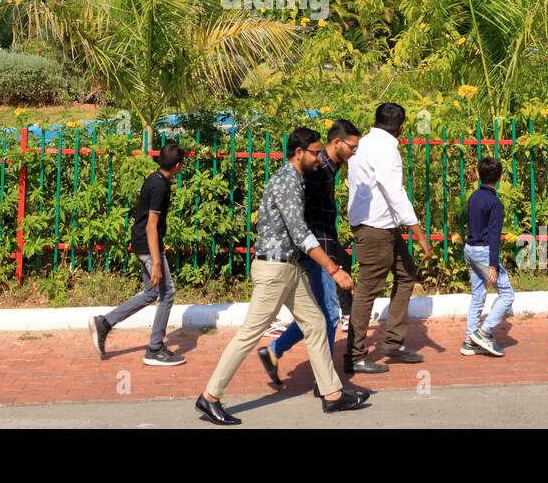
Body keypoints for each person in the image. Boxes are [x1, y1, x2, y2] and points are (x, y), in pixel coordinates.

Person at [196, 127, 368, 425]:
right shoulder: (288, 181)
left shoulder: (296, 179)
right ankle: (210, 397)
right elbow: (300, 233)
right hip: (275, 270)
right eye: (315, 153)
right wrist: (334, 269)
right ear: (299, 153)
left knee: (315, 323)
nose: (319, 158)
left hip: (288, 268)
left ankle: (332, 395)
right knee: (249, 334)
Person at [257, 119, 360, 385]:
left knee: (314, 314)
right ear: (337, 142)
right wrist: (329, 264)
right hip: (316, 248)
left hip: (323, 245)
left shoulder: (329, 167)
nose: (354, 152)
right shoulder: (319, 168)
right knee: (328, 312)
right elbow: (302, 219)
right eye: (352, 146)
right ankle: (325, 381)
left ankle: (274, 351)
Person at [344, 102, 433, 375]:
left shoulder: (365, 144)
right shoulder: (386, 150)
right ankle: (356, 355)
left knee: (406, 274)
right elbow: (395, 192)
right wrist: (418, 232)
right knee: (367, 291)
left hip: (380, 226)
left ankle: (393, 343)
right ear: (401, 127)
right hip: (376, 229)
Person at [88, 141, 186, 366]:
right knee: (168, 293)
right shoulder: (161, 187)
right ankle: (154, 349)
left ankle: (104, 323)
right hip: (148, 244)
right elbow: (152, 226)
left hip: (141, 242)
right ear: (178, 166)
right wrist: (158, 263)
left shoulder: (154, 177)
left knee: (151, 293)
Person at [462, 156, 513, 357]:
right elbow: (494, 235)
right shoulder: (495, 203)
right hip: (483, 252)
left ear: (478, 175)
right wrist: (493, 265)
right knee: (507, 294)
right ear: (499, 177)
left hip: (470, 249)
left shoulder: (473, 197)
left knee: (478, 295)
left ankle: (469, 341)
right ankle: (484, 332)